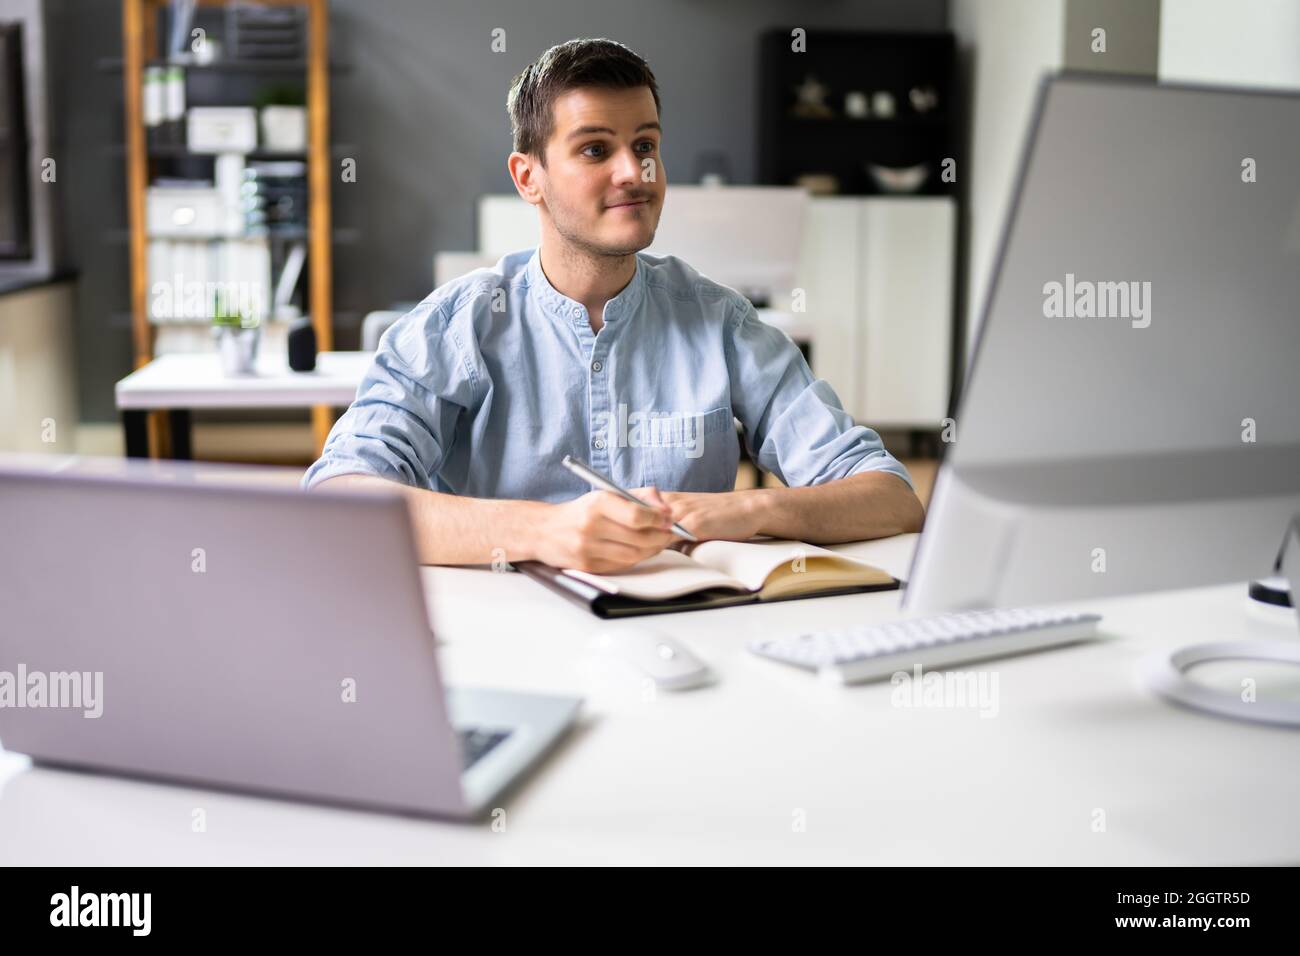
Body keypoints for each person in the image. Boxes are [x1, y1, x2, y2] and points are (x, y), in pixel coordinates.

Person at [303, 38, 923, 572]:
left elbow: (891, 495)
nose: (636, 172)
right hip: (508, 640)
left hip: (690, 640)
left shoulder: (721, 322)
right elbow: (338, 498)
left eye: (646, 145)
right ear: (529, 178)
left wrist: (750, 508)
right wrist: (541, 532)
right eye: (596, 150)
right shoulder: (457, 326)